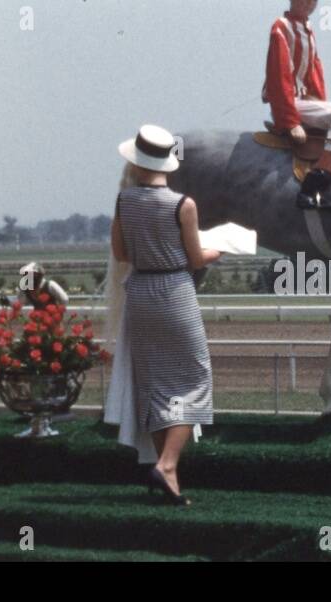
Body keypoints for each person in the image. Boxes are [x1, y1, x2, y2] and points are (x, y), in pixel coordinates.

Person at [105, 124, 222, 506]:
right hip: (174, 292)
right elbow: (194, 259)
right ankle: (168, 464)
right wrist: (219, 249)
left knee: (154, 384)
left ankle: (167, 476)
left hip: (140, 292)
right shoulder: (182, 204)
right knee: (195, 378)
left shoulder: (124, 202)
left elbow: (121, 254)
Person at [264, 0, 331, 210]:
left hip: (304, 101)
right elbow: (279, 76)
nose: (308, 4)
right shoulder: (281, 27)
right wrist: (290, 121)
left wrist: (320, 103)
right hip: (290, 102)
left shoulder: (308, 28)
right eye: (303, 0)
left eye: (312, 1)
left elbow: (314, 72)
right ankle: (315, 182)